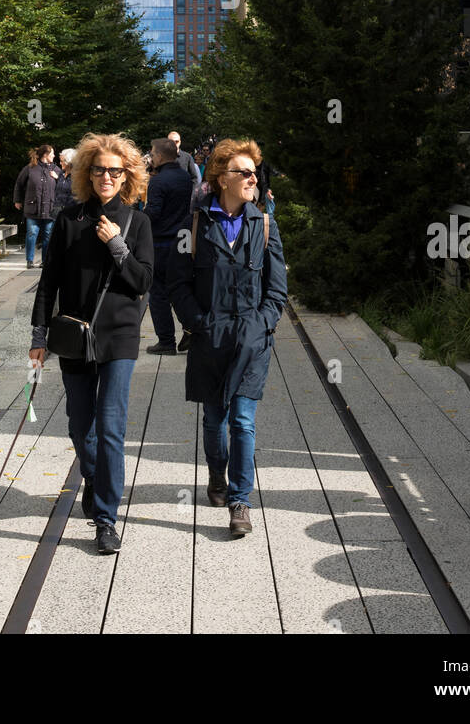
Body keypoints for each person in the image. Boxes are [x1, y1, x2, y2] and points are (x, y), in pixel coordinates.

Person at [28, 133, 152, 555]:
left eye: (115, 171)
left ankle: (105, 519)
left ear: (126, 176)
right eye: (98, 169)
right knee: (81, 426)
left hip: (119, 337)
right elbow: (49, 282)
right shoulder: (69, 219)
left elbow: (143, 281)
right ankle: (96, 478)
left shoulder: (138, 222)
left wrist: (116, 244)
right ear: (86, 173)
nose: (106, 177)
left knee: (111, 429)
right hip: (75, 336)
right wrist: (38, 335)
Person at [168, 137, 287, 539]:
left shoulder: (265, 224)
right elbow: (177, 283)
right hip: (209, 338)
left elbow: (277, 288)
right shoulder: (196, 225)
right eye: (244, 172)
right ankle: (216, 475)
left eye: (255, 172)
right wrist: (199, 323)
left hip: (252, 340)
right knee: (215, 419)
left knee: (243, 420)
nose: (253, 178)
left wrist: (264, 325)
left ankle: (240, 501)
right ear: (221, 179)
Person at [145, 137, 193, 356]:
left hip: (161, 242)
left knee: (158, 293)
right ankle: (191, 328)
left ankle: (166, 341)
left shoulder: (158, 181)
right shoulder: (184, 177)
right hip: (182, 240)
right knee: (179, 288)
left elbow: (154, 213)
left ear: (161, 156)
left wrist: (135, 218)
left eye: (153, 154)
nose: (152, 157)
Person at [14, 144, 60, 269]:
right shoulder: (30, 168)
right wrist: (17, 200)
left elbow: (65, 186)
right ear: (45, 155)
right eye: (52, 154)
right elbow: (19, 184)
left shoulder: (56, 169)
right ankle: (29, 260)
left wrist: (58, 178)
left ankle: (45, 261)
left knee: (48, 235)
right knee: (31, 234)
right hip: (32, 208)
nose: (54, 156)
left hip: (50, 209)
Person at [52, 148, 75, 218]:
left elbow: (75, 198)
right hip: (56, 213)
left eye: (62, 161)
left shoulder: (77, 177)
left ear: (68, 163)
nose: (60, 163)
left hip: (69, 214)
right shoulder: (61, 174)